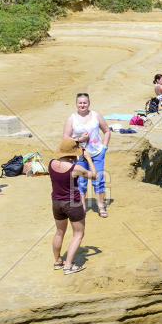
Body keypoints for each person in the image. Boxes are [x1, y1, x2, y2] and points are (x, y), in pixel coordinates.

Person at [49, 138, 97, 273]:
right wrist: (88, 159)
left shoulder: (51, 163)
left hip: (56, 203)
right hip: (72, 203)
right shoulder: (75, 169)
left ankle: (58, 261)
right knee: (78, 234)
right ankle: (68, 266)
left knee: (59, 232)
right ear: (73, 154)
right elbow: (94, 176)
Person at [63, 92, 110, 218]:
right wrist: (80, 140)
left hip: (97, 153)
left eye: (85, 103)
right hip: (79, 154)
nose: (82, 105)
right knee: (81, 181)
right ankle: (82, 207)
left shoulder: (96, 115)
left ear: (89, 103)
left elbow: (106, 130)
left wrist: (104, 147)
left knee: (99, 179)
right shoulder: (71, 119)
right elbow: (66, 138)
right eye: (80, 103)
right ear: (76, 104)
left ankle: (101, 206)